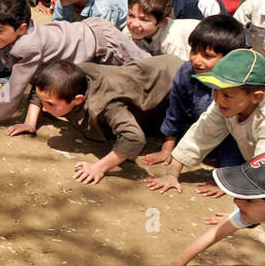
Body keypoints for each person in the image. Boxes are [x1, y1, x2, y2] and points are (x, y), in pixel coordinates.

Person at [0, 0, 148, 134]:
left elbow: (16, 84)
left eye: (0, 30)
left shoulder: (28, 45)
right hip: (84, 36)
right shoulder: (3, 37)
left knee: (142, 70)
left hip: (102, 42)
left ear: (21, 29)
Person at [146, 49, 265, 196]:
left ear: (256, 97)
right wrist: (172, 175)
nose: (218, 99)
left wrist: (232, 184)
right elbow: (201, 134)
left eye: (227, 94)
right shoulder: (226, 104)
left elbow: (264, 168)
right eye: (215, 90)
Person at [28, 55, 183, 184]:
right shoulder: (69, 79)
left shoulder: (105, 105)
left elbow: (134, 138)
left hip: (178, 80)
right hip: (150, 72)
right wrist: (30, 122)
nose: (43, 107)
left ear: (78, 99)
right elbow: (43, 91)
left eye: (50, 105)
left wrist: (99, 167)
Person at [142, 14, 248, 170]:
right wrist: (167, 149)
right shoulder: (187, 71)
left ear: (230, 58)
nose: (197, 60)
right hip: (201, 131)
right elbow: (175, 111)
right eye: (194, 51)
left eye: (207, 56)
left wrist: (227, 173)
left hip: (237, 141)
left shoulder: (240, 84)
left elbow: (233, 131)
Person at [126, 0, 198, 61]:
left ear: (162, 22)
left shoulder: (172, 40)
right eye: (131, 15)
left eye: (144, 20)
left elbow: (181, 69)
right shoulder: (128, 32)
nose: (134, 24)